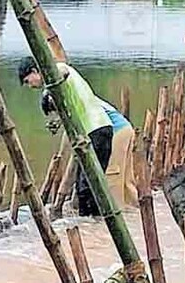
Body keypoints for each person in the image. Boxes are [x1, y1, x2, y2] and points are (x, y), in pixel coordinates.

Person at [17, 56, 137, 213]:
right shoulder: (73, 92)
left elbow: (62, 70)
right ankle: (134, 213)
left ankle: (103, 224)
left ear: (35, 71)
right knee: (122, 183)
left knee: (105, 182)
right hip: (110, 130)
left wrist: (48, 90)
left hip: (109, 130)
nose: (30, 85)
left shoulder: (58, 71)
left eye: (27, 81)